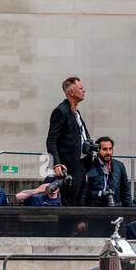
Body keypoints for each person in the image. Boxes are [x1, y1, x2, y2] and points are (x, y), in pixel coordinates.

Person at [46, 76, 94, 206]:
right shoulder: (61, 111)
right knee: (70, 203)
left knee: (79, 202)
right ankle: (67, 227)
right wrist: (56, 163)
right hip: (69, 167)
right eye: (81, 88)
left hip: (82, 165)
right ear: (71, 92)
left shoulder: (76, 112)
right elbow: (51, 140)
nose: (84, 91)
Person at [84, 137, 132, 208]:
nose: (108, 152)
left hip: (116, 208)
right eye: (105, 149)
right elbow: (84, 194)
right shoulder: (89, 167)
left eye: (110, 149)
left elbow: (126, 192)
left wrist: (131, 212)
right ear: (97, 150)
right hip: (95, 209)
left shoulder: (119, 166)